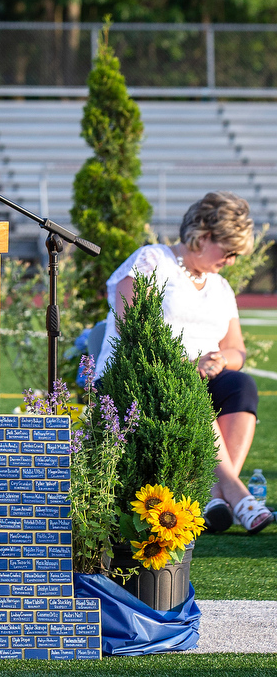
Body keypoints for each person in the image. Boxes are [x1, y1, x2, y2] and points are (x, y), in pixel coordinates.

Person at [93, 191, 273, 535]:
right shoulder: (151, 260)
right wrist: (188, 366)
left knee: (242, 384)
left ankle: (213, 496)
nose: (232, 261)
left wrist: (220, 360)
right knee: (185, 386)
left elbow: (238, 350)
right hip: (137, 376)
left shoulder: (220, 287)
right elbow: (135, 329)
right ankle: (237, 494)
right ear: (204, 237)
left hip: (200, 376)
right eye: (229, 251)